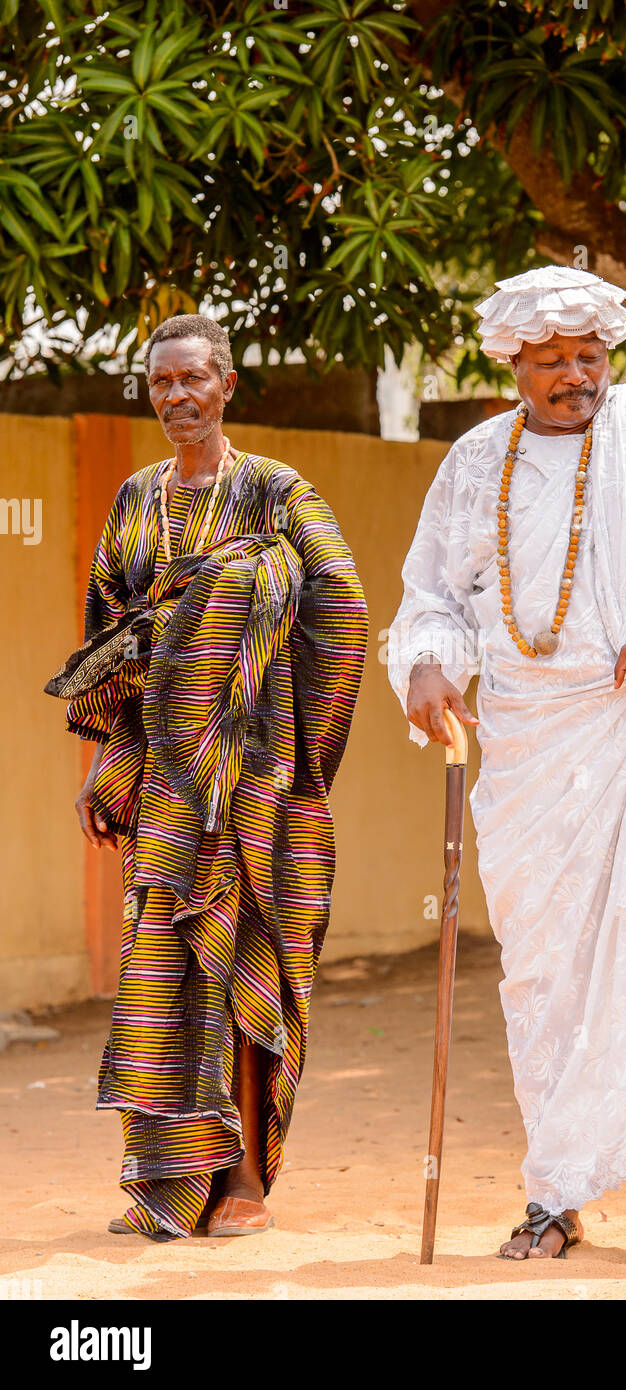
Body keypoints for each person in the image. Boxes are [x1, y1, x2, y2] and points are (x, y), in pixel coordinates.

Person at [388, 266, 626, 1265]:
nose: (573, 375)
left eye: (588, 357)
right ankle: (553, 1193)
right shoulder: (475, 464)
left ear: (611, 356)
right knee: (545, 976)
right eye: (550, 360)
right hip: (530, 754)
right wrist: (428, 665)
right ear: (509, 363)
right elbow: (433, 594)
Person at [45, 314, 368, 1241]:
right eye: (161, 384)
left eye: (194, 379)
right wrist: (111, 764)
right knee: (166, 968)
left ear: (228, 385)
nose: (177, 397)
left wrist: (296, 754)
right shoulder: (135, 499)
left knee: (248, 963)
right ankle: (167, 1183)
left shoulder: (277, 492)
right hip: (167, 790)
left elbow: (341, 610)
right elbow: (109, 640)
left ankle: (245, 1186)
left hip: (262, 785)